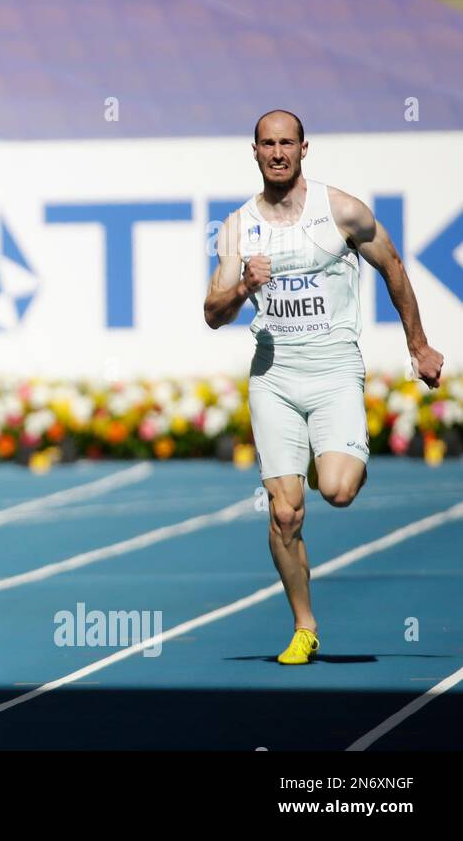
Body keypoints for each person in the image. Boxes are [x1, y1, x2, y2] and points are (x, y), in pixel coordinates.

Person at [204, 110, 444, 664]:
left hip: (334, 368)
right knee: (285, 510)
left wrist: (418, 345)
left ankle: (325, 457)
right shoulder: (238, 226)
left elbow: (394, 267)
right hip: (274, 375)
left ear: (304, 149)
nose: (278, 152)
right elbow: (213, 314)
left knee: (336, 491)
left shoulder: (341, 211)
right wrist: (243, 285)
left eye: (287, 142)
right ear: (255, 151)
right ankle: (304, 626)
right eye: (268, 144)